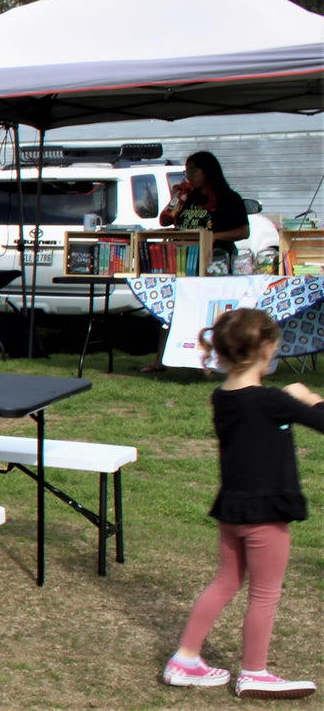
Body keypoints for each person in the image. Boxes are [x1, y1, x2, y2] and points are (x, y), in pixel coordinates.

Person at [161, 308, 320, 699]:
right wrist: (309, 397)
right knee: (265, 592)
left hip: (231, 510)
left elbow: (260, 413)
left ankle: (185, 659)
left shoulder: (223, 396)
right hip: (265, 517)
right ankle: (254, 671)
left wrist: (286, 401)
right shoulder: (273, 401)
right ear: (267, 348)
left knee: (226, 581)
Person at [146, 151, 252, 373]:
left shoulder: (229, 198)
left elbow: (244, 231)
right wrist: (177, 197)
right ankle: (161, 360)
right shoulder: (189, 197)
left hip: (217, 261)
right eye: (187, 171)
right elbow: (165, 221)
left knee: (213, 309)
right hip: (185, 259)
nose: (189, 175)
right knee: (174, 305)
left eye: (193, 170)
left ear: (208, 171)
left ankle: (215, 358)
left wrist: (215, 236)